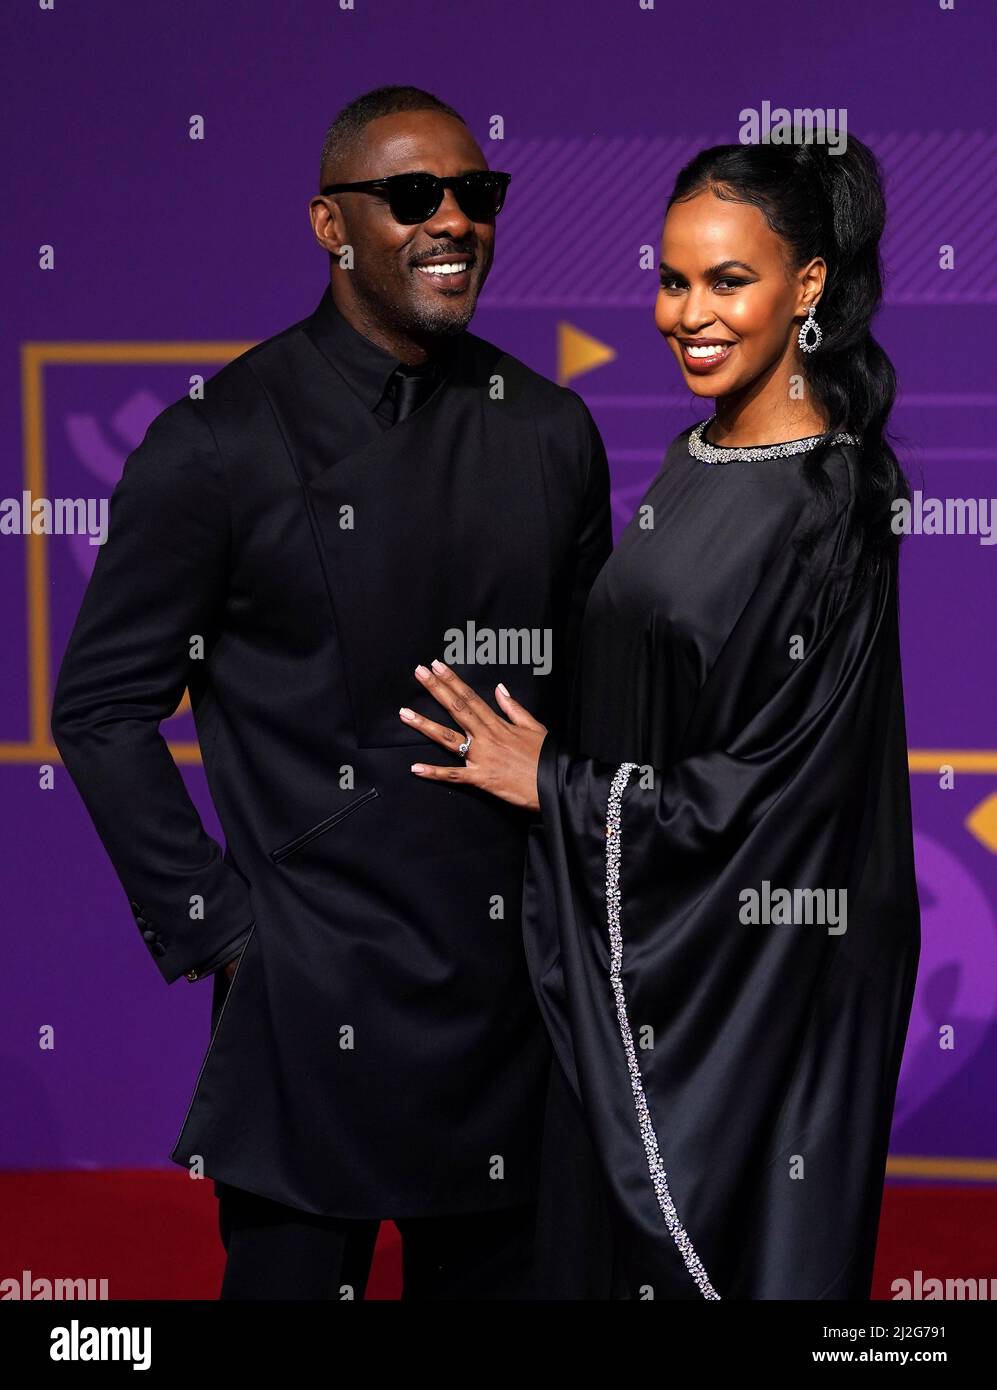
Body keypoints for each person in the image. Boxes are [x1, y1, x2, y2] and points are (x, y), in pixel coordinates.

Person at [50, 85, 612, 1300]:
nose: (452, 219)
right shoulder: (220, 441)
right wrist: (222, 930)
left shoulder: (552, 431)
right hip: (309, 1015)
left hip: (511, 1018)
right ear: (329, 224)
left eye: (477, 195)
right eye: (412, 196)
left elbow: (593, 700)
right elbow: (98, 706)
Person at [402, 134, 921, 1300]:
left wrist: (553, 783)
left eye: (727, 281)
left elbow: (777, 804)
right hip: (633, 950)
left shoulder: (825, 511)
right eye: (673, 278)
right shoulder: (697, 453)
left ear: (809, 289)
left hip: (753, 988)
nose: (687, 313)